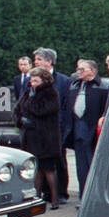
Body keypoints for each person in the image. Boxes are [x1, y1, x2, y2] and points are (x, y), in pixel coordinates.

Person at [14, 66, 62, 208]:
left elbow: (42, 110)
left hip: (46, 137)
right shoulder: (28, 92)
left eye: (36, 80)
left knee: (48, 168)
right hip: (31, 136)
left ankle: (54, 199)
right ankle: (36, 197)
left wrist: (31, 102)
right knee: (37, 169)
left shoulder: (50, 93)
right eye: (31, 80)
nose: (33, 83)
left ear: (44, 80)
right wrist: (20, 120)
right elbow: (18, 108)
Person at [63, 58, 109, 199]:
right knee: (81, 167)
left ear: (93, 71)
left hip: (93, 134)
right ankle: (83, 196)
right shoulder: (74, 86)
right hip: (77, 131)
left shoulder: (102, 87)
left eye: (82, 69)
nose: (79, 72)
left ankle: (96, 197)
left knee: (94, 166)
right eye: (78, 69)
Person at [34, 48, 73, 201]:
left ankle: (61, 193)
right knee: (41, 162)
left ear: (48, 61)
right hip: (38, 129)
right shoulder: (34, 80)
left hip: (57, 128)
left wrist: (62, 126)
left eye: (38, 59)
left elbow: (66, 105)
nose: (35, 62)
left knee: (59, 161)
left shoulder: (63, 81)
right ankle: (46, 192)